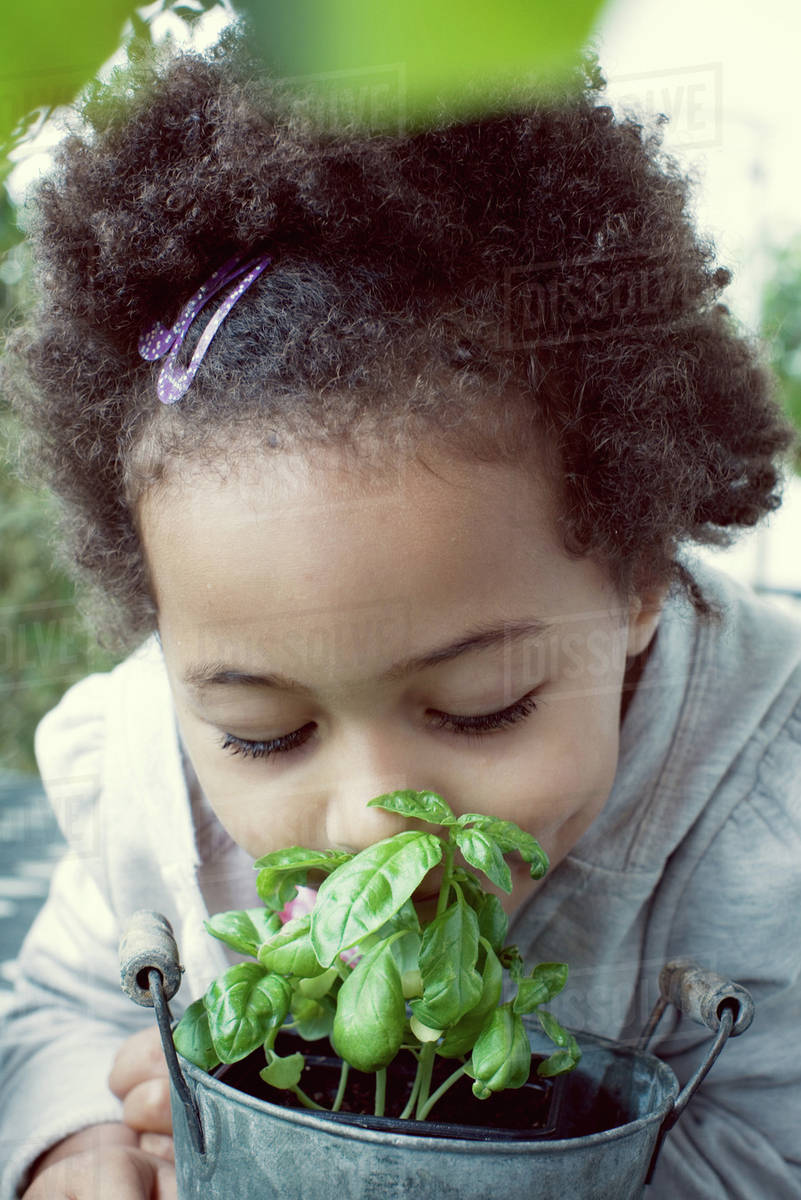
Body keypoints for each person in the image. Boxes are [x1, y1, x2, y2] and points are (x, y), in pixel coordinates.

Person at [1, 22, 799, 1200]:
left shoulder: (768, 816)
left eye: (483, 708)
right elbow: (58, 1009)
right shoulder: (142, 780)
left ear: (636, 578)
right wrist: (79, 1141)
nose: (378, 823)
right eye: (264, 734)